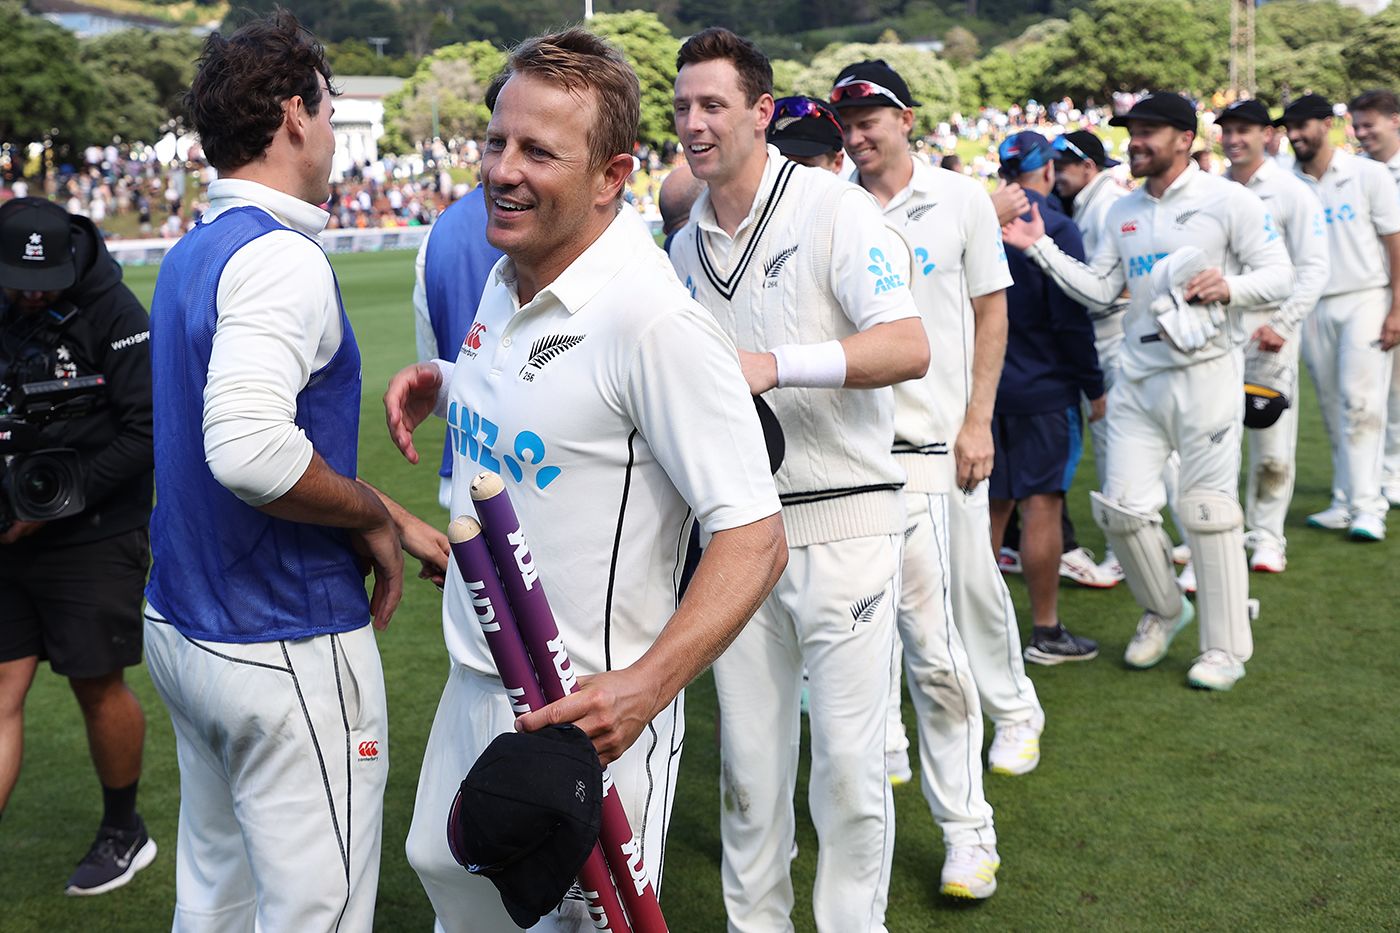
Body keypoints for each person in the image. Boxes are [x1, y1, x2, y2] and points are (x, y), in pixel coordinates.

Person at [384, 29, 787, 932]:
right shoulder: (507, 275)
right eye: (496, 141)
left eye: (538, 151)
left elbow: (757, 537)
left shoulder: (656, 324)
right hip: (473, 685)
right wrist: (449, 381)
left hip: (589, 722)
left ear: (612, 175)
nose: (503, 170)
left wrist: (646, 686)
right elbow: (554, 400)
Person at [143, 13, 448, 929]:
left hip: (188, 624)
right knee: (319, 912)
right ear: (294, 117)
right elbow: (249, 450)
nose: (332, 135)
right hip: (278, 636)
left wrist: (385, 511)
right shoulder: (281, 256)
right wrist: (373, 517)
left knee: (216, 901)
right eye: (328, 111)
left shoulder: (193, 248)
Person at [672, 33, 929, 929]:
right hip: (739, 540)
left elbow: (908, 345)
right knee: (749, 774)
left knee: (851, 771)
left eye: (712, 105)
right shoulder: (684, 245)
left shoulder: (834, 209)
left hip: (847, 525)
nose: (694, 124)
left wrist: (774, 365)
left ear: (760, 112)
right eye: (683, 107)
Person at [771, 90, 1002, 899]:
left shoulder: (868, 221)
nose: (799, 171)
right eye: (786, 158)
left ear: (836, 159)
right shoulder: (749, 232)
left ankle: (968, 832)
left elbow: (940, 334)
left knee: (935, 655)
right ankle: (790, 852)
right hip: (809, 487)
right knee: (814, 687)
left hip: (908, 462)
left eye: (813, 156)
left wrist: (975, 420)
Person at [1002, 91, 1294, 691]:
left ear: (1184, 139)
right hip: (1138, 378)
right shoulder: (1122, 210)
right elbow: (1101, 289)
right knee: (1122, 511)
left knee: (1208, 511)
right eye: (1132, 131)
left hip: (1207, 375)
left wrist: (1229, 287)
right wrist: (1039, 248)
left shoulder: (1228, 200)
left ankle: (1224, 649)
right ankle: (1163, 609)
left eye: (1149, 131)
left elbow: (1280, 275)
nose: (1135, 142)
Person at [832, 59, 1049, 781]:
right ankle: (889, 734)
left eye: (869, 122)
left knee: (973, 582)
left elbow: (993, 312)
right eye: (847, 125)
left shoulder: (959, 199)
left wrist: (978, 420)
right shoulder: (837, 205)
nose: (856, 137)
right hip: (864, 444)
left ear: (906, 121)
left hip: (945, 438)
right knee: (881, 596)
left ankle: (1016, 710)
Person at [0, 197, 157, 895]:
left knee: (96, 684)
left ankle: (124, 829)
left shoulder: (114, 311)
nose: (32, 294)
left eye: (43, 283)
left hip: (94, 531)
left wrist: (62, 497)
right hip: (9, 526)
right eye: (17, 283)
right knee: (2, 688)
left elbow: (148, 430)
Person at [989, 131, 1106, 663]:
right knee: (1041, 508)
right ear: (1048, 170)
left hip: (987, 388)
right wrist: (1093, 385)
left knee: (990, 511)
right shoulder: (1055, 225)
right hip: (1045, 388)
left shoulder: (982, 219)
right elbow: (1072, 319)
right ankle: (1046, 629)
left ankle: (974, 633)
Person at [1279, 93, 1400, 541]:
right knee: (1332, 406)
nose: (1295, 135)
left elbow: (1394, 242)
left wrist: (1396, 307)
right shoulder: (1285, 179)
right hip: (1312, 304)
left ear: (1326, 125)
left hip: (1365, 297)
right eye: (1289, 128)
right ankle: (1344, 500)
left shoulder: (1367, 174)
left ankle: (1369, 507)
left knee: (1361, 403)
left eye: (1302, 126)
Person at [1216, 99, 1328, 572]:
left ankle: (1267, 537)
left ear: (1267, 134)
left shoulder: (1290, 191)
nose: (1234, 140)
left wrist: (1282, 325)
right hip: (1217, 332)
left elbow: (1314, 268)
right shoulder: (1213, 188)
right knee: (1213, 440)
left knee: (1271, 440)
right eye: (1227, 131)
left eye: (1244, 130)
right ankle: (1218, 532)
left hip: (1269, 332)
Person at [1051, 129, 1131, 583]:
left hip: (1115, 335)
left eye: (1064, 166)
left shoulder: (1105, 204)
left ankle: (1123, 553)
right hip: (1105, 335)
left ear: (1087, 166)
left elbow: (1109, 285)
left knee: (1115, 448)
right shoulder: (1090, 201)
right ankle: (1174, 543)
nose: (1057, 174)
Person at [411, 183, 503, 508]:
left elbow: (431, 362)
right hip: (543, 474)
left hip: (466, 468)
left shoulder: (440, 229)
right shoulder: (588, 218)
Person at [1349, 89, 1400, 509]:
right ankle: (1379, 476)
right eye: (1357, 126)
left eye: (1369, 124)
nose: (1362, 133)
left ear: (1395, 120)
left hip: (1393, 290)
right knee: (1371, 393)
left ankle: (1392, 472)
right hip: (1370, 293)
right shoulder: (1355, 173)